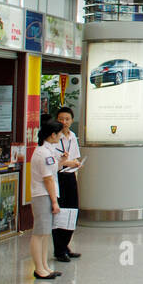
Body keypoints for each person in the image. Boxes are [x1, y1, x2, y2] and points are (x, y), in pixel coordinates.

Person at [29, 120, 63, 280]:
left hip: (47, 194)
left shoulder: (47, 152)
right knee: (40, 233)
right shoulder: (43, 153)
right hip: (43, 195)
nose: (60, 136)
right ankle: (39, 268)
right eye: (59, 133)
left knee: (46, 233)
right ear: (52, 135)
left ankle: (44, 266)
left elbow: (53, 170)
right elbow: (48, 179)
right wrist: (54, 202)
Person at [52, 106, 83, 263]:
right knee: (60, 213)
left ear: (71, 121)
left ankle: (65, 245)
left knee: (72, 211)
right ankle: (59, 249)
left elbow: (75, 157)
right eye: (61, 119)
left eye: (67, 119)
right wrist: (70, 162)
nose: (64, 122)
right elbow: (55, 161)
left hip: (70, 177)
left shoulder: (72, 136)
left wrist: (75, 164)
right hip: (58, 177)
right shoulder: (54, 138)